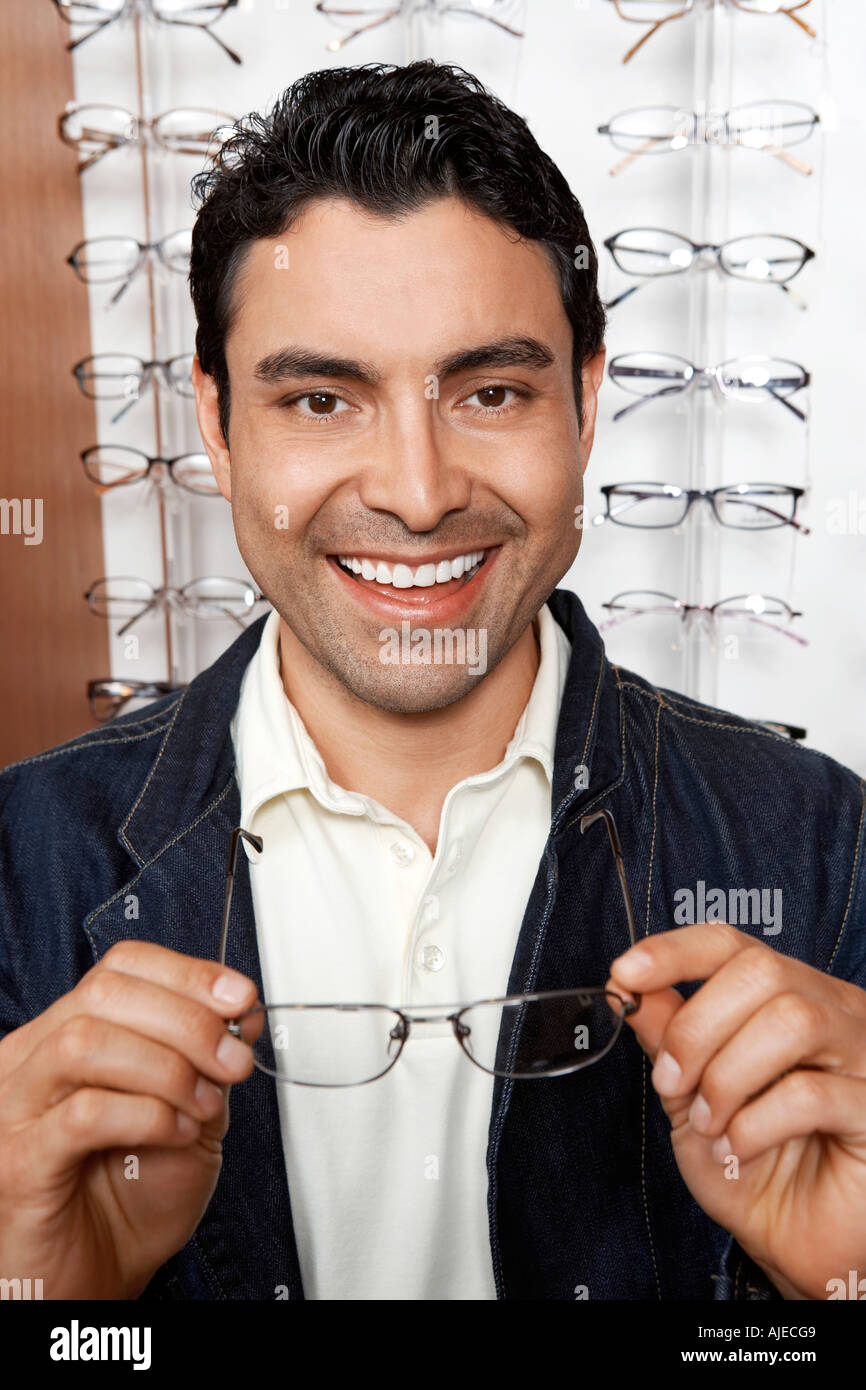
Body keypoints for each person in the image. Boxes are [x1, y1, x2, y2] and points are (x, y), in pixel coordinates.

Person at [1, 61, 864, 1303]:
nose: (415, 491)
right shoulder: (19, 866)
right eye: (318, 397)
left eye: (491, 391)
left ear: (583, 398)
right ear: (214, 421)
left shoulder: (822, 852)